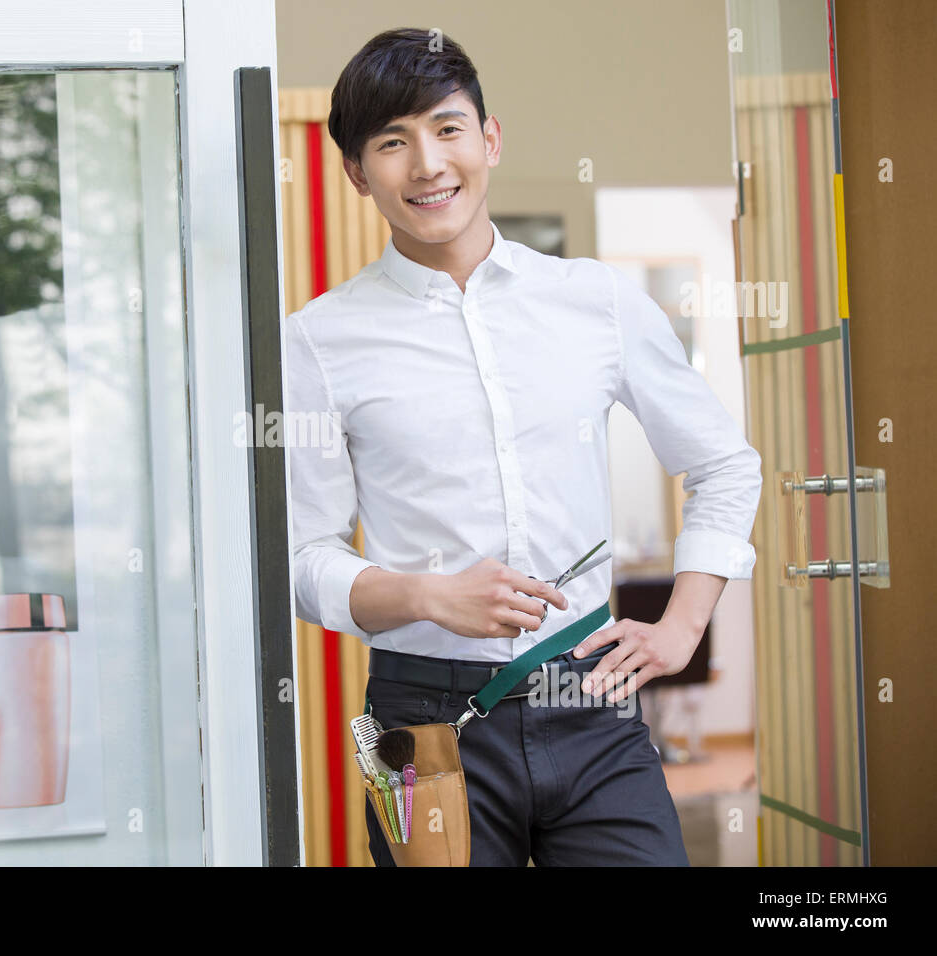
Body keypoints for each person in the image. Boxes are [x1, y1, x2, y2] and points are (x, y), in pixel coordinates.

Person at [286, 27, 762, 866]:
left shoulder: (597, 303)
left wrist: (683, 625)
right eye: (393, 144)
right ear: (359, 173)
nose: (428, 164)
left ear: (489, 138)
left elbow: (723, 462)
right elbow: (301, 557)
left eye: (446, 128)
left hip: (594, 701)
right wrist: (429, 596)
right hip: (423, 722)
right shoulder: (319, 342)